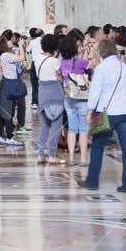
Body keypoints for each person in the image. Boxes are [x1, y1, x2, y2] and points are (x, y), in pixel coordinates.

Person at [80, 37, 126, 193]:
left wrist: (90, 111)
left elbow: (95, 92)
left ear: (101, 52)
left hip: (107, 112)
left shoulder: (101, 69)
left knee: (97, 146)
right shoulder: (124, 67)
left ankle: (92, 181)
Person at [59, 31, 91, 167]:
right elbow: (94, 65)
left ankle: (71, 157)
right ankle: (83, 158)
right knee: (83, 129)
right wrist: (91, 50)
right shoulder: (80, 62)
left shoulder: (61, 63)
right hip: (82, 98)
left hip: (68, 97)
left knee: (72, 128)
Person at [35, 34, 65, 165]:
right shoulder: (55, 61)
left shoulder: (37, 59)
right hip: (54, 93)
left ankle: (41, 154)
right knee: (56, 126)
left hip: (42, 92)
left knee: (45, 125)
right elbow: (60, 77)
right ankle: (52, 155)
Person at [0, 34, 26, 140]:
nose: (11, 42)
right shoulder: (6, 55)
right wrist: (21, 45)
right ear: (5, 44)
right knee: (8, 110)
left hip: (8, 84)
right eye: (8, 41)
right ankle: (9, 136)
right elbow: (22, 58)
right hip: (9, 85)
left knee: (6, 110)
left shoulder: (5, 55)